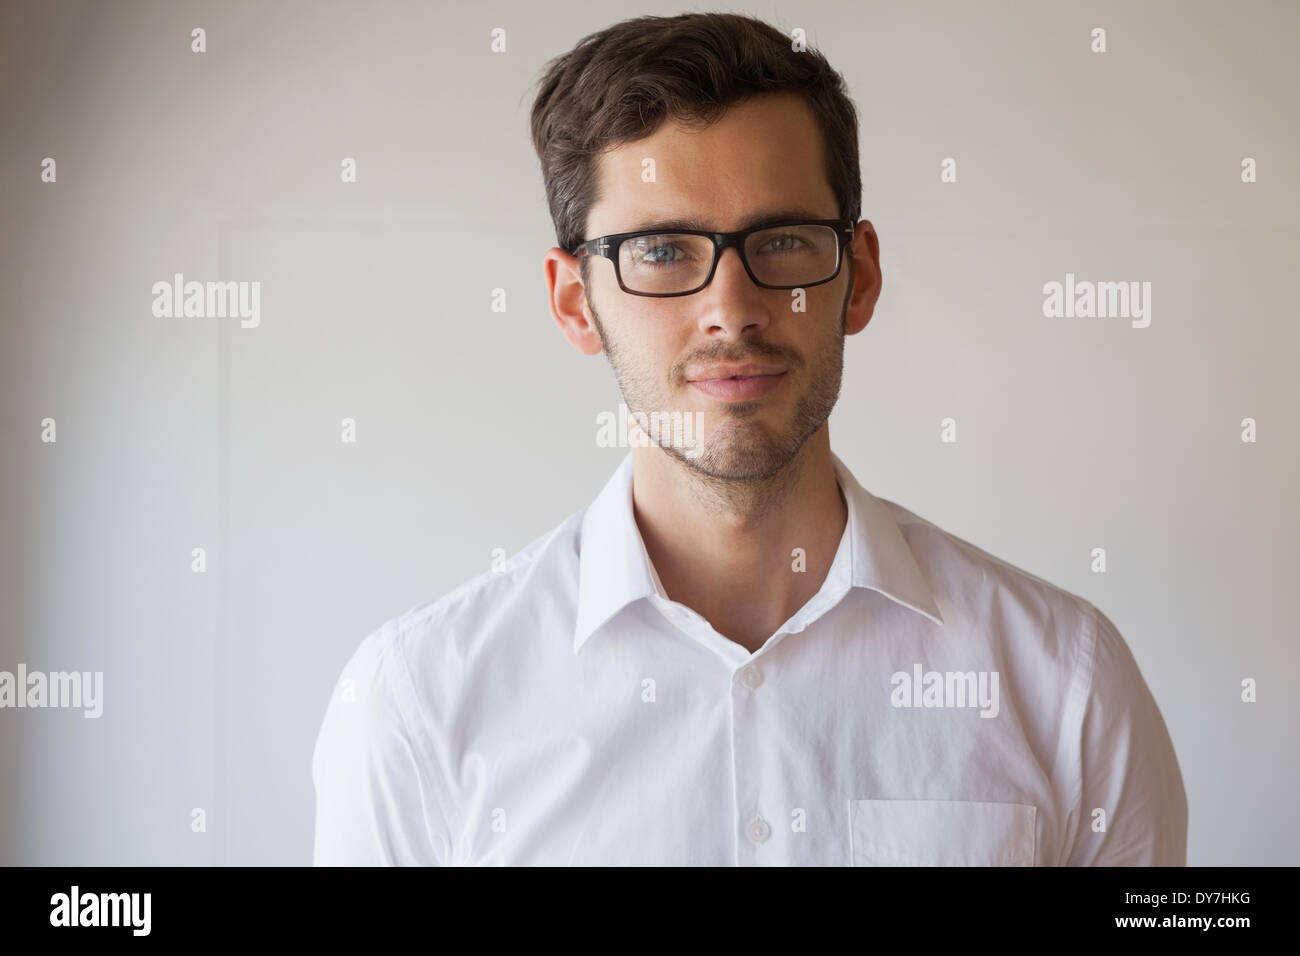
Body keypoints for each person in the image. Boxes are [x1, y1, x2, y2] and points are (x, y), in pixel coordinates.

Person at [312, 11, 1187, 866]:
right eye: (661, 251)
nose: (731, 310)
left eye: (782, 240)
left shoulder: (1066, 682)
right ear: (575, 301)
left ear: (860, 277)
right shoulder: (417, 701)